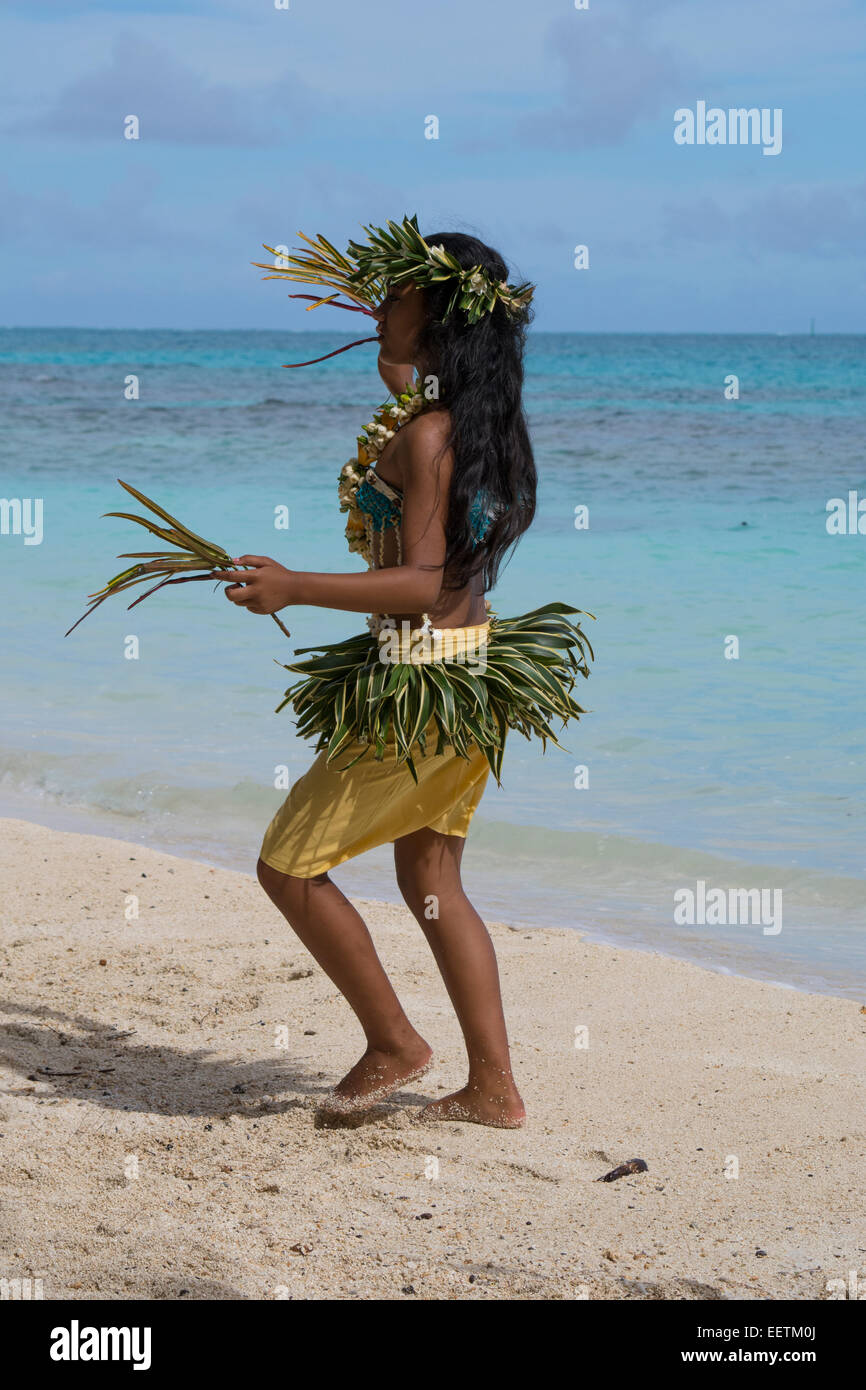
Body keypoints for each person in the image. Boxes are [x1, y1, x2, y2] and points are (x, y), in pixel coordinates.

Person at [217, 216, 593, 1128]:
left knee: (288, 867)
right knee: (432, 880)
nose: (378, 308)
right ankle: (495, 1089)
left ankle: (395, 1043)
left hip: (421, 684)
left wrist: (294, 586)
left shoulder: (429, 437)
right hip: (471, 673)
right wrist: (391, 324)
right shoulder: (463, 415)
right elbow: (403, 374)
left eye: (395, 296)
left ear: (439, 318)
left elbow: (424, 583)